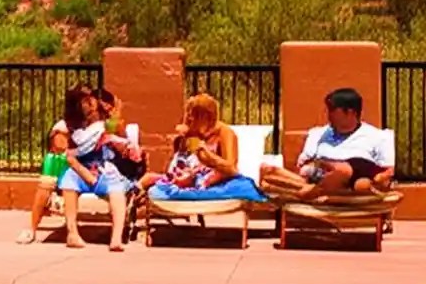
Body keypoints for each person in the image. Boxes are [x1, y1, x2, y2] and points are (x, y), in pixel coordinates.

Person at [261, 88, 394, 198]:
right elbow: (302, 166)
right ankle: (313, 190)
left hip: (352, 183)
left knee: (347, 173)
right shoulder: (318, 134)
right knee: (267, 170)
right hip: (318, 177)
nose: (328, 114)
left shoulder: (377, 136)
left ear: (351, 112)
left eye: (332, 110)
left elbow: (386, 173)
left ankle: (310, 192)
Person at [60, 86, 137, 252]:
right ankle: (72, 232)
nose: (92, 106)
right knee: (68, 181)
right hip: (80, 170)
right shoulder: (72, 128)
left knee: (116, 189)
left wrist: (115, 119)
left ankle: (116, 238)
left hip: (104, 170)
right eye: (87, 102)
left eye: (92, 102)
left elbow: (119, 137)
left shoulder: (105, 125)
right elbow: (70, 152)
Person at [17, 83, 91, 244]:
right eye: (86, 101)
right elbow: (62, 150)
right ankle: (31, 228)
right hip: (64, 165)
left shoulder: (94, 123)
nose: (89, 104)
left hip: (84, 164)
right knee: (48, 178)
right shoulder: (63, 128)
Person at [141, 93, 239, 192]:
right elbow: (180, 165)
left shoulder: (225, 133)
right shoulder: (193, 135)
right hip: (188, 177)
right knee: (147, 179)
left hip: (207, 181)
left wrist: (208, 157)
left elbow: (231, 169)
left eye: (191, 119)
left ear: (205, 117)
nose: (188, 122)